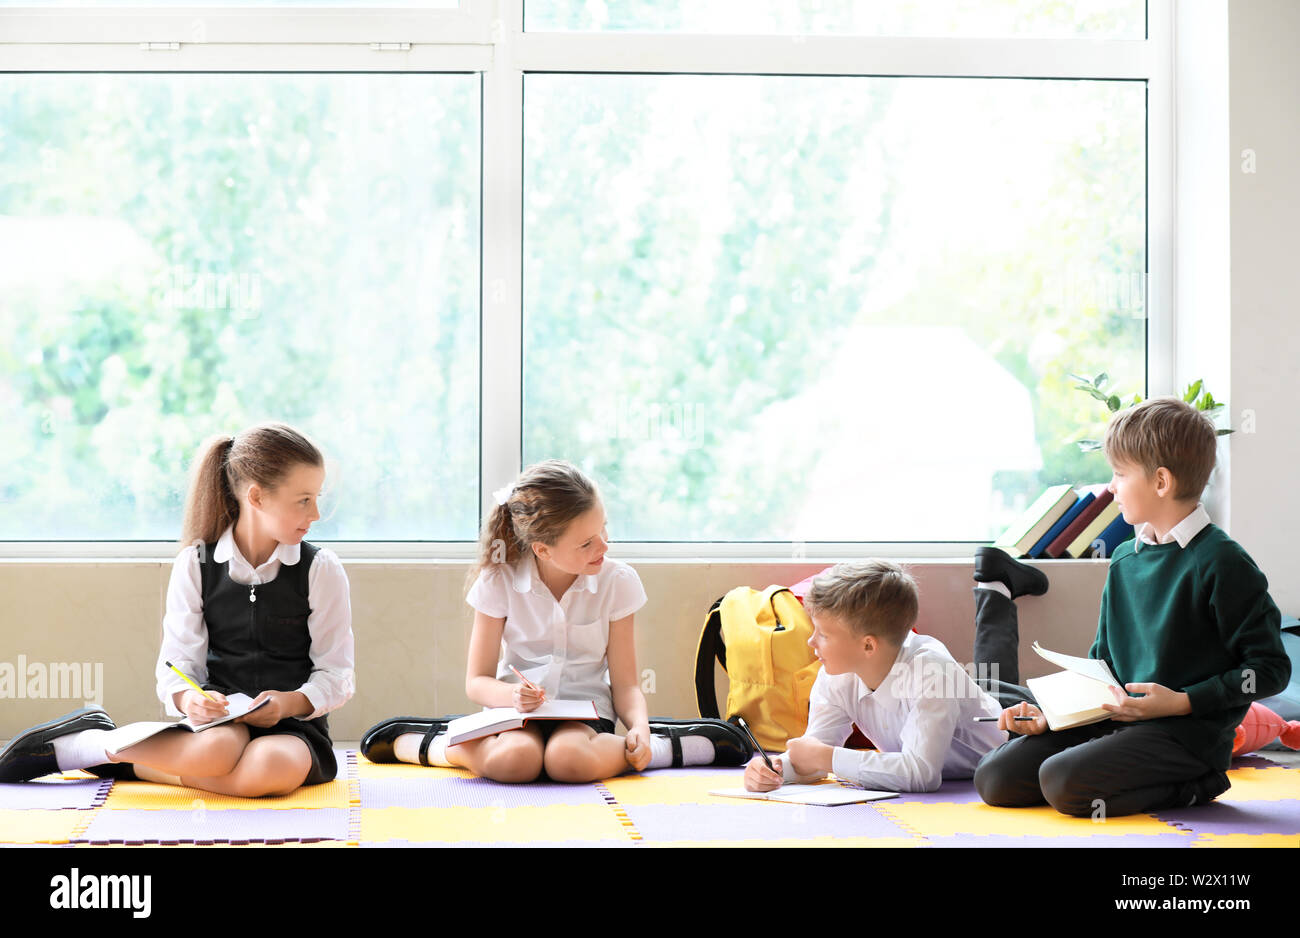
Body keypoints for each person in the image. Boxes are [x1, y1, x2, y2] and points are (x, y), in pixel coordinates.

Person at [974, 397, 1292, 817]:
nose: (1110, 487)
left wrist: (1182, 702)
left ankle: (1198, 784)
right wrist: (1053, 716)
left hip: (1185, 736)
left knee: (1062, 782)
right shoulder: (1126, 557)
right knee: (995, 777)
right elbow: (1102, 662)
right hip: (1118, 721)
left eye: (1120, 474)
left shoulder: (1222, 562)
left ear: (1161, 481)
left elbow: (1270, 669)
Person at [0, 423, 356, 796]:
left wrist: (290, 702)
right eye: (303, 499)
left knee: (270, 768)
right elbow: (176, 666)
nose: (315, 513)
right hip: (221, 722)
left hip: (294, 726)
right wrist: (191, 699)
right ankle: (86, 745)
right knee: (216, 750)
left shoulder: (321, 569)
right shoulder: (195, 564)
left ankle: (105, 754)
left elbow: (336, 673)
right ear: (256, 497)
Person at [362, 459, 749, 782]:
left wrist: (639, 730)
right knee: (516, 762)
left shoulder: (618, 581)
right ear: (543, 549)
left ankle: (662, 745)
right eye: (587, 543)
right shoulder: (499, 580)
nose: (605, 547)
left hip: (587, 714)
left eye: (604, 530)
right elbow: (476, 682)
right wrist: (512, 697)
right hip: (515, 713)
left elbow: (627, 683)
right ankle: (434, 742)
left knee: (568, 761)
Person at [742, 558, 1018, 794]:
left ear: (868, 645)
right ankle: (994, 589)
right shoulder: (836, 673)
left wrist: (826, 758)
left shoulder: (933, 672)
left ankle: (996, 586)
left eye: (823, 634)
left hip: (1009, 724)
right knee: (982, 674)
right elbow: (815, 752)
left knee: (998, 671)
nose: (811, 642)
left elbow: (920, 774)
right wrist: (778, 769)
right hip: (957, 693)